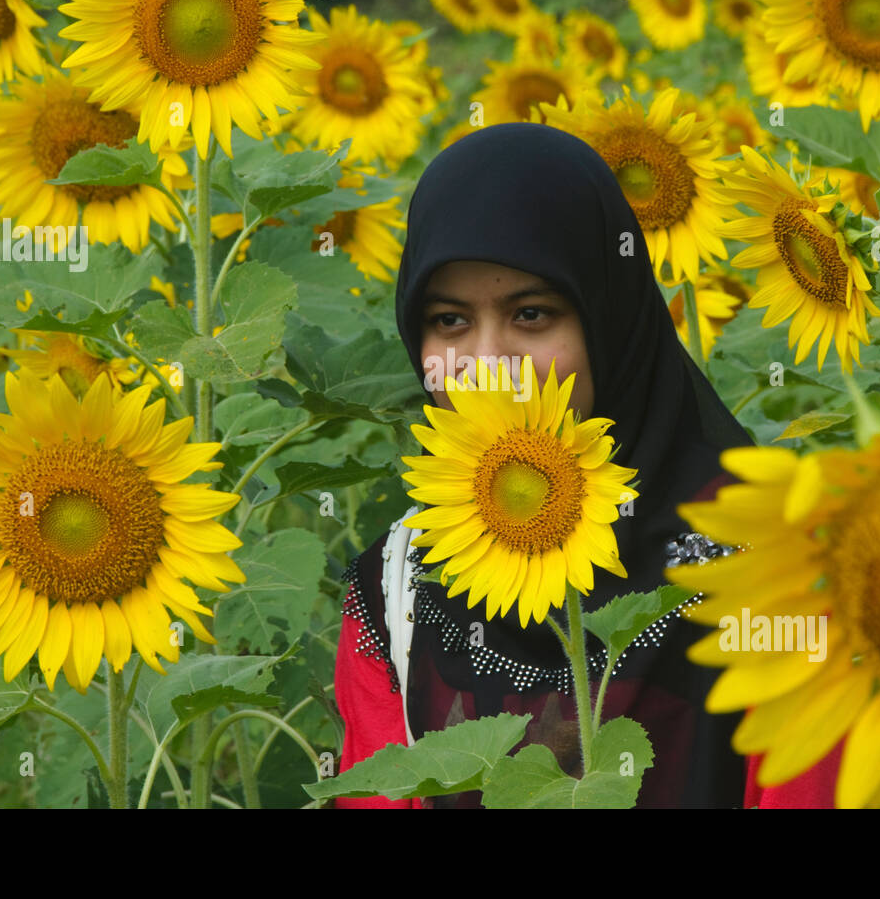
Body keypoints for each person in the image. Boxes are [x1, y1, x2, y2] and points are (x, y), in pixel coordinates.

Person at [332, 121, 837, 808]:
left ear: (610, 319)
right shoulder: (396, 593)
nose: (487, 366)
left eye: (532, 314)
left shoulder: (769, 564)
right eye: (450, 321)